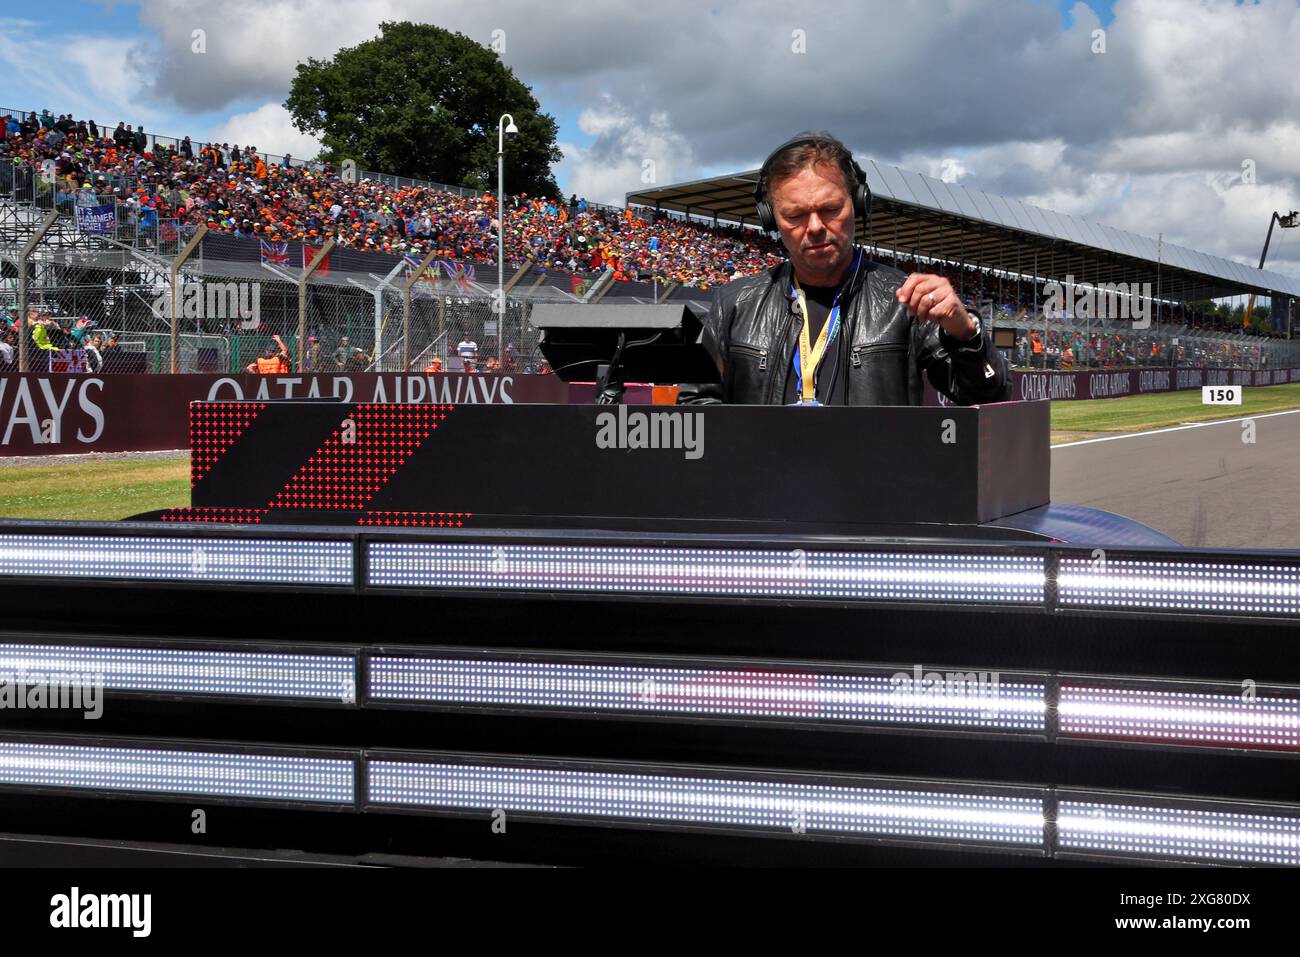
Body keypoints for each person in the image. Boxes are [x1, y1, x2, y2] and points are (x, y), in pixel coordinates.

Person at [678, 131, 1008, 406]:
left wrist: (965, 332)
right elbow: (696, 406)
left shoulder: (905, 301)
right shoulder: (734, 302)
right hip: (765, 482)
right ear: (771, 220)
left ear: (859, 203)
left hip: (872, 484)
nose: (816, 227)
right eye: (795, 215)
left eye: (830, 208)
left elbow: (989, 396)